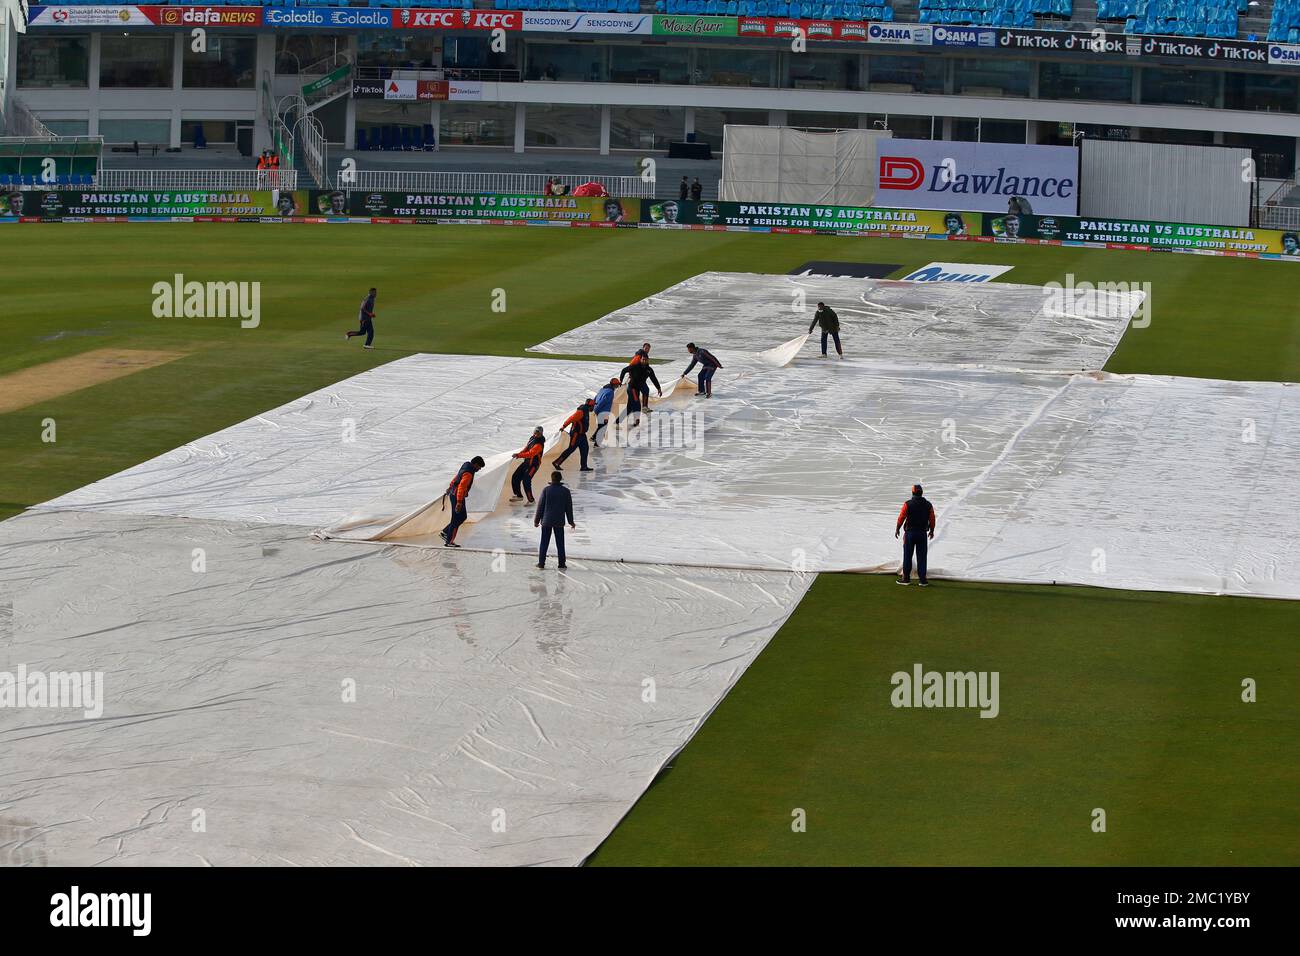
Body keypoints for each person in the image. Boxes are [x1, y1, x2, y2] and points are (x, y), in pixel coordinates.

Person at [894, 484, 936, 586]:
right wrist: (932, 530)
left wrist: (897, 528)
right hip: (922, 534)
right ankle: (922, 580)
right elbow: (932, 519)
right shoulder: (928, 505)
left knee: (907, 556)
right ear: (921, 493)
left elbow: (901, 517)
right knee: (922, 557)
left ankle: (906, 579)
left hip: (910, 534)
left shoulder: (908, 504)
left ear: (912, 492)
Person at [439, 455, 485, 548]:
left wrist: (450, 486)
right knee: (456, 518)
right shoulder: (469, 473)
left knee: (462, 516)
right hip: (457, 496)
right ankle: (449, 542)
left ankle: (445, 532)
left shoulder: (466, 466)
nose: (479, 469)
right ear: (476, 464)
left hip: (455, 494)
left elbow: (456, 477)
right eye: (479, 467)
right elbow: (461, 487)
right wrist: (459, 502)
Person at [534, 471, 575, 570]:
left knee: (544, 542)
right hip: (559, 521)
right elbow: (569, 508)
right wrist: (571, 521)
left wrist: (536, 520)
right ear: (560, 479)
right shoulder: (565, 491)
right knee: (560, 543)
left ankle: (541, 563)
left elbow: (540, 506)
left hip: (546, 521)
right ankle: (561, 564)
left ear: (552, 479)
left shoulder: (546, 490)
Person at [617, 354, 662, 429]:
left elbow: (653, 378)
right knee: (637, 404)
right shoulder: (634, 367)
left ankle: (617, 422)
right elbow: (624, 370)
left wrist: (659, 388)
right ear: (640, 359)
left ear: (648, 360)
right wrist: (620, 381)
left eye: (645, 359)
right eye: (642, 359)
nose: (644, 361)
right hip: (632, 388)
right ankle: (636, 422)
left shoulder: (649, 369)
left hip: (638, 388)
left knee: (629, 408)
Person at [554, 399, 595, 471]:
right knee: (570, 449)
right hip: (576, 435)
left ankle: (584, 466)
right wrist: (564, 426)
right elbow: (571, 418)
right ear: (590, 406)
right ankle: (557, 462)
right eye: (593, 406)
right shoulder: (581, 411)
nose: (594, 407)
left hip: (582, 435)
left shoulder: (586, 411)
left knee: (585, 449)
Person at [509, 426, 546, 504]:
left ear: (541, 434)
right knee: (515, 476)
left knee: (526, 480)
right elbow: (526, 448)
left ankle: (531, 500)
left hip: (534, 465)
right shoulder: (532, 438)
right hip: (527, 462)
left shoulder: (539, 444)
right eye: (535, 432)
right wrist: (519, 454)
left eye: (538, 433)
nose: (536, 434)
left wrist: (519, 456)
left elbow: (531, 454)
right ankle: (519, 496)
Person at [591, 378, 619, 447]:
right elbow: (602, 401)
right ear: (614, 385)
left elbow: (595, 398)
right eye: (617, 385)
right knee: (603, 427)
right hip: (603, 411)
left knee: (601, 426)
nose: (618, 386)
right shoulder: (610, 392)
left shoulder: (602, 389)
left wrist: (593, 407)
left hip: (599, 410)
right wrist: (596, 410)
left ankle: (594, 438)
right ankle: (596, 443)